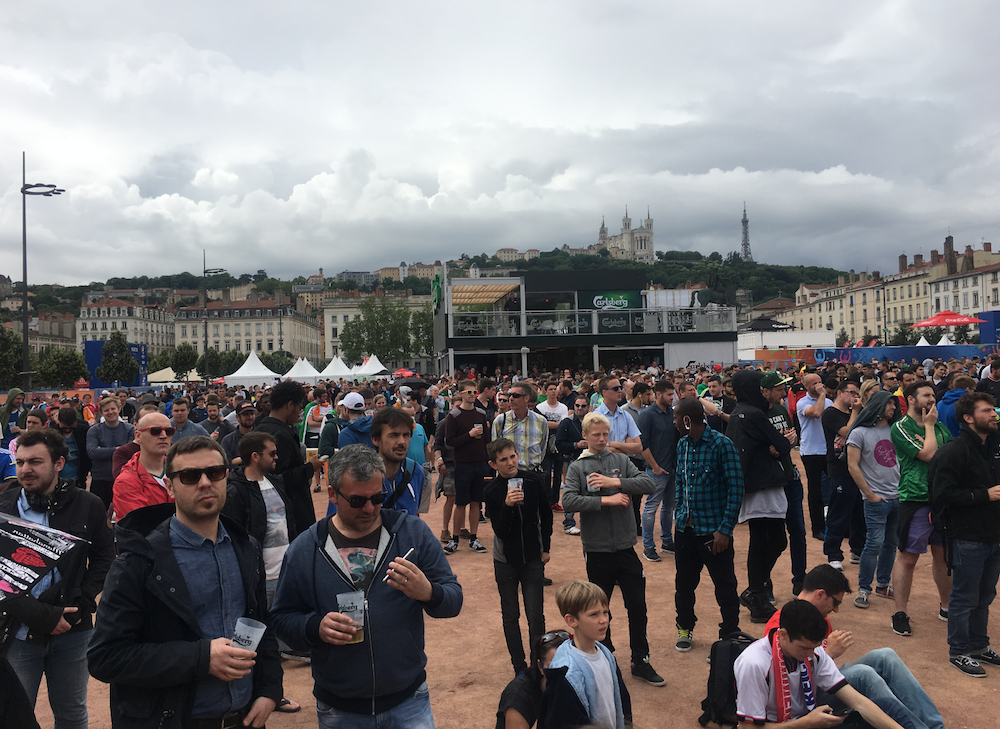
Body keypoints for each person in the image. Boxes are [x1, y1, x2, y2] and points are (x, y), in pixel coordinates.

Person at [88, 436, 283, 727]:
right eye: (190, 476)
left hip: (242, 719)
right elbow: (106, 656)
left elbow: (259, 624)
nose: (205, 483)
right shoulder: (139, 560)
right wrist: (201, 658)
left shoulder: (246, 547)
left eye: (214, 472)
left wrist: (269, 690)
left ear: (226, 477)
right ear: (170, 486)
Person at [270, 444, 463, 728]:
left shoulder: (411, 533)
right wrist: (316, 628)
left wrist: (429, 593)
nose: (371, 508)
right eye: (358, 501)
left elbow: (453, 600)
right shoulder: (306, 548)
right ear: (333, 494)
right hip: (340, 707)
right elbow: (282, 619)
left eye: (378, 497)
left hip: (409, 700)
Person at [2, 428, 115, 729]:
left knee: (72, 715)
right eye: (20, 462)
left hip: (73, 632)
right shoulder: (4, 508)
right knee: (15, 716)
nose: (26, 469)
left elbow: (105, 558)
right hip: (17, 632)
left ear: (59, 463)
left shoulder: (88, 504)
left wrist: (82, 602)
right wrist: (41, 615)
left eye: (36, 461)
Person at [764, 565, 947, 729]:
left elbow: (823, 668)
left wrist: (826, 657)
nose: (836, 610)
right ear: (820, 594)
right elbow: (785, 683)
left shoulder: (820, 619)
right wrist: (828, 653)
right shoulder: (780, 625)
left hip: (822, 682)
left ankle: (935, 726)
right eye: (835, 602)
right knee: (863, 674)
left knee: (885, 655)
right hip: (804, 700)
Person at [563, 413, 662, 686]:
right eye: (596, 435)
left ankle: (640, 659)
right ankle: (605, 659)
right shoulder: (577, 467)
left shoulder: (620, 460)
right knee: (599, 610)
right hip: (596, 550)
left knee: (638, 606)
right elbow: (568, 500)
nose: (602, 439)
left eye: (605, 434)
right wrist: (605, 501)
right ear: (585, 437)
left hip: (625, 547)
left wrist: (615, 482)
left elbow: (648, 483)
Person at [735, 599, 915, 728]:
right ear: (783, 635)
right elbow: (746, 728)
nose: (811, 655)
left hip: (808, 721)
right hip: (791, 724)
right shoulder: (754, 663)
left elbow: (859, 702)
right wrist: (805, 724)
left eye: (815, 648)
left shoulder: (813, 651)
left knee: (887, 706)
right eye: (804, 648)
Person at [223, 430, 302, 714]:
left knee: (273, 641)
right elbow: (235, 536)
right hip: (260, 576)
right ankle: (254, 696)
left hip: (284, 569)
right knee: (256, 640)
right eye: (271, 453)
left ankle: (272, 693)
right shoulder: (236, 490)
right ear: (255, 457)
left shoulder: (275, 481)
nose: (277, 457)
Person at [928, 391, 1000, 678]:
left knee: (985, 594)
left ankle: (979, 645)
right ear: (968, 418)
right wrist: (984, 495)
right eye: (986, 411)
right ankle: (958, 649)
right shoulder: (953, 451)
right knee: (964, 596)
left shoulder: (994, 446)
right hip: (967, 536)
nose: (993, 414)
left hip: (993, 535)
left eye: (993, 410)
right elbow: (941, 495)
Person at [672, 397, 744, 652]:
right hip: (685, 531)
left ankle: (729, 633)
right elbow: (680, 482)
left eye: (677, 418)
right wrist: (679, 512)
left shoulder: (722, 445)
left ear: (688, 420)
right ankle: (685, 627)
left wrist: (724, 530)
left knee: (725, 586)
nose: (675, 422)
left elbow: (736, 490)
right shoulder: (682, 445)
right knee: (684, 585)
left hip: (714, 532)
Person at [728, 369, 793, 623]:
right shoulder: (754, 414)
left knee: (765, 541)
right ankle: (755, 592)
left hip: (754, 484)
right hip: (763, 485)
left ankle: (756, 591)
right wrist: (782, 442)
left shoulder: (738, 412)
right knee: (772, 541)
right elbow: (785, 445)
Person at [485, 438, 553, 675]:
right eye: (503, 459)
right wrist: (507, 505)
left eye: (512, 456)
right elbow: (501, 531)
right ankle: (519, 666)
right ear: (494, 464)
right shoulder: (492, 490)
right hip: (505, 561)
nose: (510, 462)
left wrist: (546, 548)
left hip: (533, 558)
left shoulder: (533, 480)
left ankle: (538, 664)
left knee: (536, 615)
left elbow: (546, 514)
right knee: (510, 614)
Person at [889, 381, 952, 637]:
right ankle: (900, 612)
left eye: (933, 395)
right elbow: (929, 455)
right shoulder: (901, 428)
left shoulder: (941, 428)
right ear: (911, 400)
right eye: (926, 395)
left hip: (942, 500)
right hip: (915, 498)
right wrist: (927, 427)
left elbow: (947, 458)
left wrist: (930, 430)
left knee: (944, 556)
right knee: (908, 557)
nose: (932, 399)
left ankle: (947, 607)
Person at [537, 580, 632, 729]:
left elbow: (622, 698)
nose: (604, 620)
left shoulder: (606, 654)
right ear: (572, 620)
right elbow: (560, 721)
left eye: (605, 612)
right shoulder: (565, 672)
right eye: (594, 614)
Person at [846, 391, 900, 610]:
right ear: (878, 405)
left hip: (898, 496)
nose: (893, 408)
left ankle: (883, 584)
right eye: (889, 404)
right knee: (874, 543)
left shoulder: (896, 430)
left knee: (891, 543)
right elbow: (852, 465)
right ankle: (864, 588)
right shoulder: (859, 433)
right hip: (876, 498)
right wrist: (869, 494)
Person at [256, 380, 323, 537]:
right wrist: (309, 468)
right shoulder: (280, 435)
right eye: (299, 408)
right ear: (289, 405)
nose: (299, 413)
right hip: (290, 513)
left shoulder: (260, 429)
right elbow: (280, 478)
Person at [821, 379, 866, 572]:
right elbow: (847, 431)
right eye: (852, 392)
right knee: (838, 513)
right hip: (839, 468)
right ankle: (833, 554)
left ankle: (857, 549)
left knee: (859, 513)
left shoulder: (854, 413)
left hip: (859, 467)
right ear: (840, 393)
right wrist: (855, 414)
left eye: (858, 394)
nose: (856, 397)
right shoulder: (831, 413)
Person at [496, 631, 570, 729]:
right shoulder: (518, 695)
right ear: (540, 667)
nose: (564, 670)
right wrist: (551, 703)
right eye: (554, 665)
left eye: (570, 663)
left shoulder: (583, 683)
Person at [112, 412, 175, 519]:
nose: (164, 436)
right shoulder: (126, 481)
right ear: (138, 436)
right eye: (155, 431)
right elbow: (141, 525)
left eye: (169, 431)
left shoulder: (181, 471)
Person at [371, 407, 427, 517]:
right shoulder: (359, 475)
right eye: (394, 435)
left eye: (406, 435)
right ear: (376, 439)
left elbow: (415, 517)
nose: (402, 441)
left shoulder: (416, 472)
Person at [796, 372, 831, 540]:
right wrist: (822, 395)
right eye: (815, 383)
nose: (819, 385)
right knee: (815, 491)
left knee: (837, 487)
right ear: (807, 387)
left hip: (829, 450)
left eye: (820, 382)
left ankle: (836, 523)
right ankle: (818, 528)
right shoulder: (802, 402)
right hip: (811, 451)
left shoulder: (830, 402)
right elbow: (816, 413)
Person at [86, 395, 136, 509]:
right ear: (102, 413)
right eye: (106, 410)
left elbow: (131, 453)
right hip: (100, 479)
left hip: (124, 478)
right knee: (98, 515)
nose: (110, 412)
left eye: (113, 409)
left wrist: (103, 451)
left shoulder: (129, 429)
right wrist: (118, 450)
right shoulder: (94, 430)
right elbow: (92, 452)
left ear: (118, 409)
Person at [556, 394, 591, 536]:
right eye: (577, 405)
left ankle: (588, 523)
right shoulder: (566, 422)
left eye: (583, 406)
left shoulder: (592, 421)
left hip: (590, 461)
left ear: (588, 407)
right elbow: (559, 443)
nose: (580, 408)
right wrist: (576, 445)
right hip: (573, 461)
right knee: (571, 492)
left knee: (591, 491)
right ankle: (568, 522)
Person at [536, 381, 569, 513]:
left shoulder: (563, 407)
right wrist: (557, 424)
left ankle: (555, 501)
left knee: (558, 474)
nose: (553, 391)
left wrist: (551, 424)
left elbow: (564, 424)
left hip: (559, 444)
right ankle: (546, 500)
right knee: (546, 473)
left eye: (555, 389)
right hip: (545, 444)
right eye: (550, 389)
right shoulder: (541, 407)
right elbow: (542, 425)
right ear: (545, 391)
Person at [53, 406, 92, 487]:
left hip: (78, 479)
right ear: (58, 422)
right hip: (57, 479)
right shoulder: (52, 432)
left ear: (76, 422)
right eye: (64, 427)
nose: (67, 430)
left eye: (70, 427)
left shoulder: (83, 431)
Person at [221, 400, 258, 465]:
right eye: (245, 414)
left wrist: (239, 460)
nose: (250, 417)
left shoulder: (262, 437)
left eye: (252, 413)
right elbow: (227, 465)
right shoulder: (228, 441)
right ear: (237, 417)